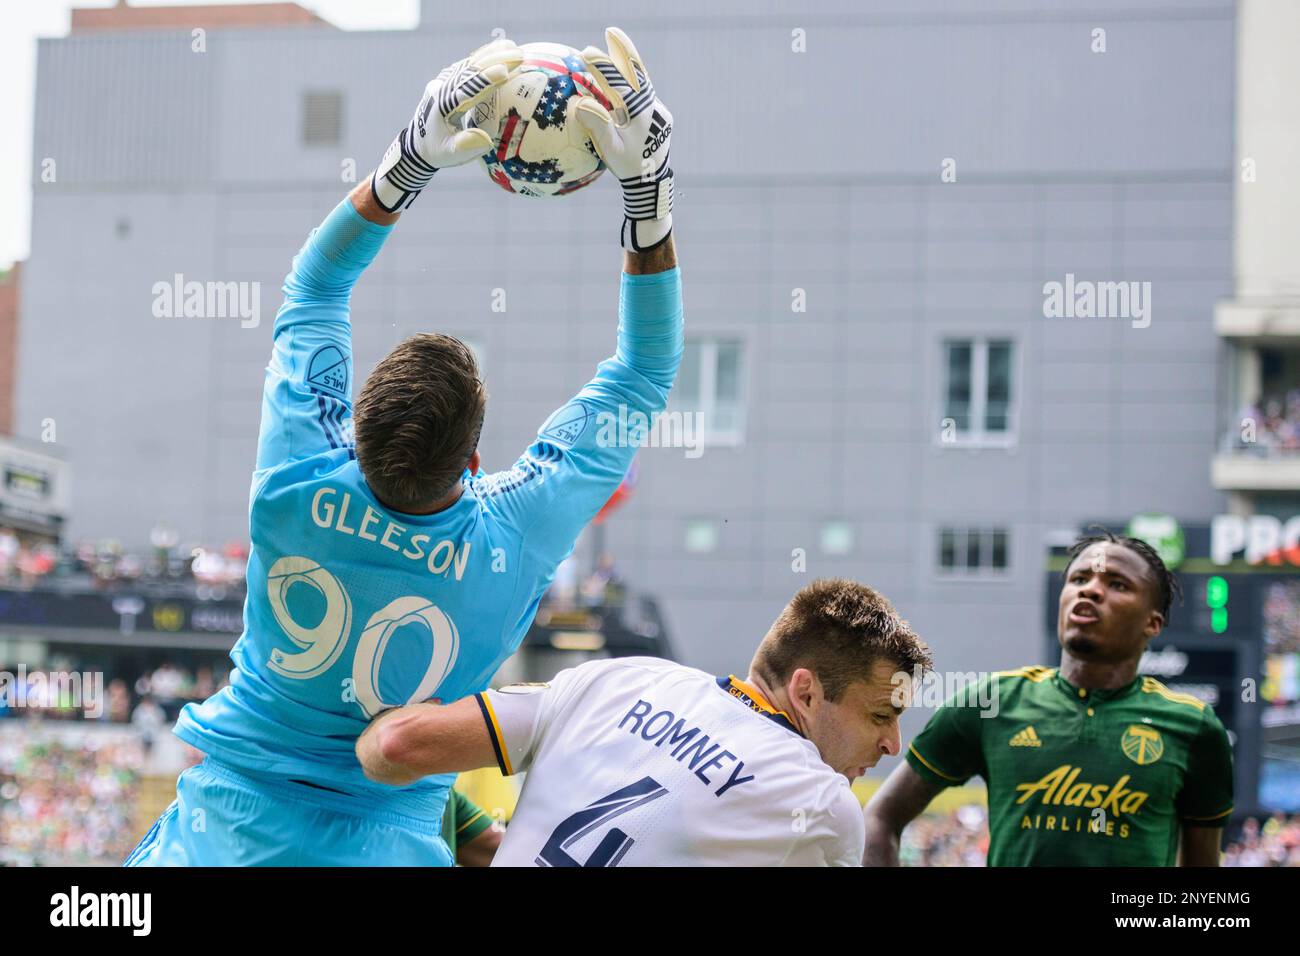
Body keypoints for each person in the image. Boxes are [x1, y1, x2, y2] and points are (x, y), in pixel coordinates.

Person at [125, 28, 681, 867]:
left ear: (351, 428)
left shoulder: (293, 478)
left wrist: (409, 158)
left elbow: (315, 285)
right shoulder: (513, 538)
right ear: (470, 462)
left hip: (213, 840)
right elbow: (643, 373)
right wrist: (648, 195)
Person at [357, 579, 932, 867]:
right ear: (806, 690)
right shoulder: (824, 807)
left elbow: (401, 744)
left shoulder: (620, 677)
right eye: (881, 714)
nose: (891, 743)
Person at [863, 530, 1234, 866]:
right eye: (1079, 578)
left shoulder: (1194, 727)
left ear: (1152, 623)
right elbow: (880, 818)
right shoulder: (991, 702)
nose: (1090, 590)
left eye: (1117, 584)